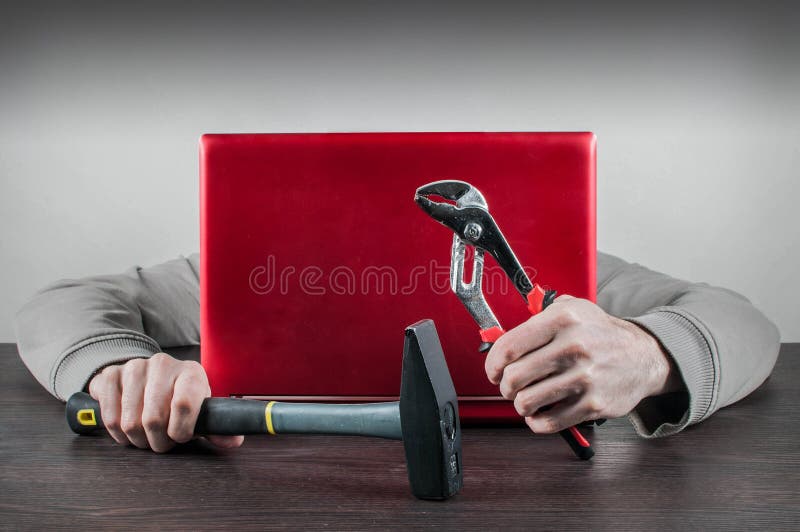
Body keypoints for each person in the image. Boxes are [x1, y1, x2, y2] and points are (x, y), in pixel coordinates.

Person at [14, 252, 780, 453]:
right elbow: (61, 303)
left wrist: (648, 353)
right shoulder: (237, 266)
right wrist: (116, 367)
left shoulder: (559, 270)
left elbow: (745, 324)